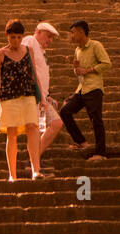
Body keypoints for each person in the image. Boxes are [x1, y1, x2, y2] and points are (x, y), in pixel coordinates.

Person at [0, 20, 43, 182]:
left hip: (28, 94)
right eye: (12, 37)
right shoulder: (0, 53)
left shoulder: (29, 50)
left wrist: (43, 98)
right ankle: (12, 174)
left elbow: (34, 75)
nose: (16, 41)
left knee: (32, 128)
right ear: (7, 36)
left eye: (19, 37)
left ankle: (36, 170)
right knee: (12, 134)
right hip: (8, 97)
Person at [59, 19, 111, 160]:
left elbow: (107, 64)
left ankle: (101, 153)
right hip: (81, 89)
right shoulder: (77, 50)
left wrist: (87, 70)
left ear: (82, 32)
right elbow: (79, 72)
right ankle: (82, 142)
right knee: (65, 111)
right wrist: (76, 70)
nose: (71, 36)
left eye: (73, 32)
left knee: (96, 120)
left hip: (94, 88)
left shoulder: (95, 45)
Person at [22, 22, 63, 159]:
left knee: (44, 128)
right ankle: (33, 161)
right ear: (38, 32)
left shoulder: (41, 51)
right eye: (48, 36)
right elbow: (27, 67)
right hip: (33, 96)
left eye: (52, 38)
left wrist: (48, 96)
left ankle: (34, 160)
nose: (50, 41)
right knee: (45, 127)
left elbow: (41, 74)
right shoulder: (30, 40)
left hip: (42, 98)